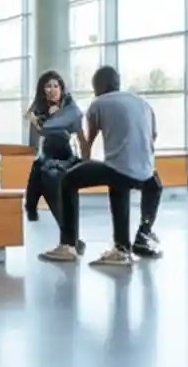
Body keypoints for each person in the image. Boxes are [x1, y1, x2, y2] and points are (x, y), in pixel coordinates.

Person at [41, 66, 163, 267]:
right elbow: (153, 136)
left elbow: (88, 144)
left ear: (97, 86)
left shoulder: (98, 103)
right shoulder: (142, 103)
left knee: (69, 180)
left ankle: (68, 245)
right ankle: (126, 245)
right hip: (147, 172)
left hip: (120, 170)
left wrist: (81, 164)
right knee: (119, 178)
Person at [23, 71, 83, 229]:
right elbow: (36, 133)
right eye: (48, 86)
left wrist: (43, 121)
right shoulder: (40, 109)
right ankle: (32, 208)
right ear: (42, 90)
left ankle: (33, 209)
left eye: (56, 86)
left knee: (47, 176)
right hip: (48, 156)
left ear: (62, 88)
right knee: (38, 169)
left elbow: (50, 128)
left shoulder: (70, 108)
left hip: (67, 156)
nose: (53, 90)